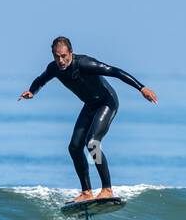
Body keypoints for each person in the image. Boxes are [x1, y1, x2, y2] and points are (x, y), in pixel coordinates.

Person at [19, 36, 157, 202]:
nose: (61, 60)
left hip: (107, 103)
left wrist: (141, 88)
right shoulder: (54, 68)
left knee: (92, 143)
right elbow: (41, 80)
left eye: (64, 56)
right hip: (90, 105)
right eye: (57, 56)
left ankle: (107, 189)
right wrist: (32, 92)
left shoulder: (85, 64)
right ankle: (86, 192)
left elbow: (114, 71)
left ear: (71, 52)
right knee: (74, 147)